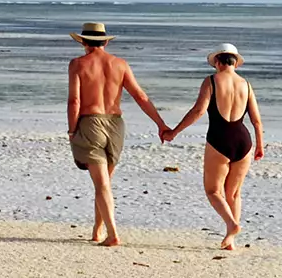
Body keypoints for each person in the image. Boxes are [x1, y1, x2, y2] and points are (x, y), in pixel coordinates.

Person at [66, 21, 171, 247]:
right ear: (104, 41)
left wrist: (72, 129)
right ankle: (97, 230)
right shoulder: (120, 64)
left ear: (83, 42)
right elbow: (141, 96)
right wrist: (160, 124)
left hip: (90, 123)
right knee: (105, 182)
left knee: (102, 183)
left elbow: (74, 100)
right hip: (115, 125)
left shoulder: (78, 64)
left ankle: (112, 234)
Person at [163, 42, 265, 251]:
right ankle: (230, 240)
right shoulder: (246, 84)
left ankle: (231, 224)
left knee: (213, 191)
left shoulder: (211, 81)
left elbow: (199, 111)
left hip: (220, 139)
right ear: (235, 63)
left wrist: (174, 132)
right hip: (243, 140)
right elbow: (256, 120)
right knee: (234, 193)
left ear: (217, 62)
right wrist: (259, 145)